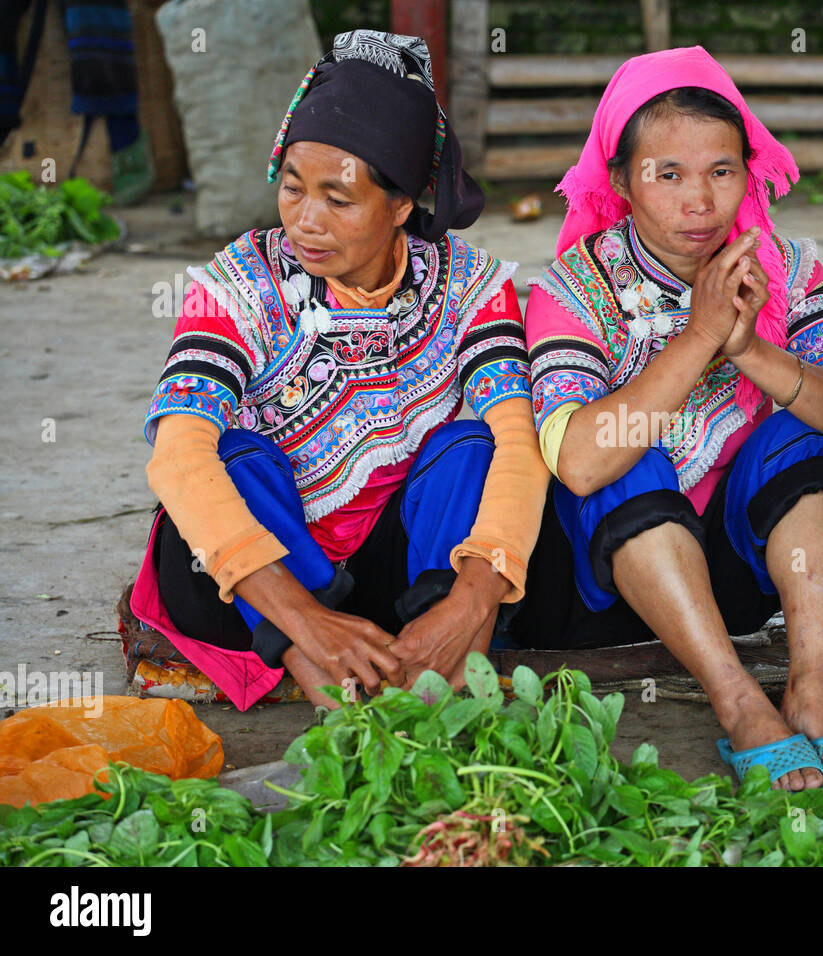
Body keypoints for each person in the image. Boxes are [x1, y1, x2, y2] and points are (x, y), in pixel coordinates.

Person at [128, 31, 551, 711]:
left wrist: (471, 601)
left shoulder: (468, 285)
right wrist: (303, 620)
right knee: (231, 456)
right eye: (293, 189)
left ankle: (438, 643)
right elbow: (178, 458)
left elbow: (520, 442)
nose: (305, 222)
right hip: (256, 583)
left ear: (402, 206)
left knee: (471, 447)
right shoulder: (240, 281)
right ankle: (310, 659)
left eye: (339, 199)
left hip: (401, 580)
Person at [514, 46, 823, 797]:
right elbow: (581, 466)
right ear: (621, 180)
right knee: (628, 448)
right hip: (602, 595)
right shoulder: (573, 287)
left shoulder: (780, 269)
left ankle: (813, 689)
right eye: (669, 174)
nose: (701, 201)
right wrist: (697, 336)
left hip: (739, 583)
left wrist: (749, 346)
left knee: (800, 430)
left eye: (722, 171)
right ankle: (740, 701)